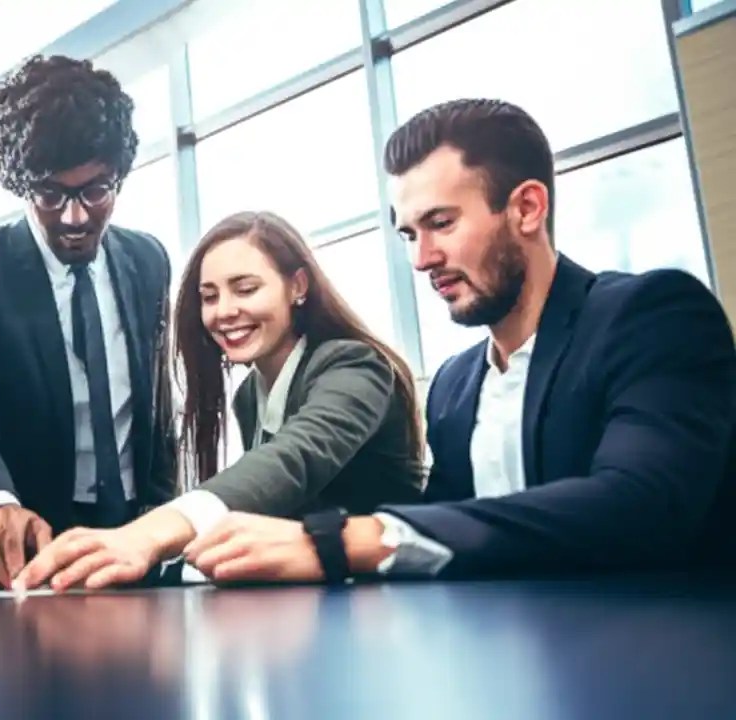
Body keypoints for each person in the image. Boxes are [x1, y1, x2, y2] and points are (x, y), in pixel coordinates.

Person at [180, 98, 736, 584]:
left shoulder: (652, 315)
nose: (422, 259)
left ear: (526, 208)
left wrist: (339, 541)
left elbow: (642, 505)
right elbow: (447, 532)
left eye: (441, 224)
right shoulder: (453, 386)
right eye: (409, 234)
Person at [16, 211, 425, 591]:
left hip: (395, 601)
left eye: (245, 289)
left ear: (297, 287)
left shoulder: (354, 366)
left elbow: (293, 461)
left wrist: (151, 534)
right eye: (209, 296)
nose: (224, 311)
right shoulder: (251, 396)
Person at [0, 54, 177, 589]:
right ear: (21, 184)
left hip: (130, 544)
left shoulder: (150, 261)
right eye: (50, 194)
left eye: (95, 190)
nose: (75, 216)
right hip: (18, 559)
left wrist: (161, 517)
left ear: (119, 176)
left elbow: (156, 407)